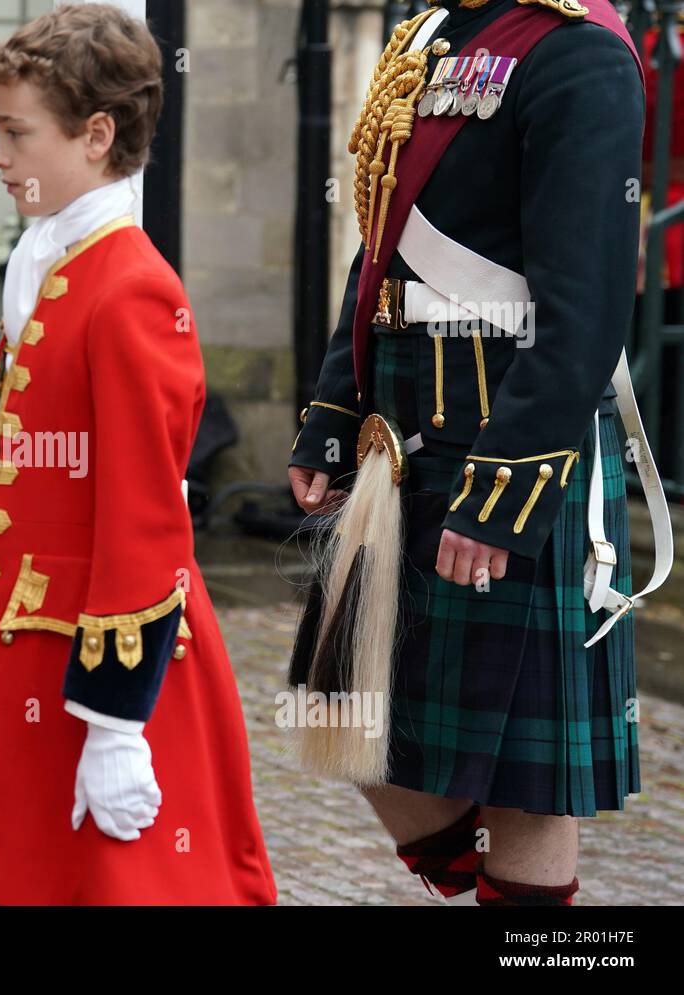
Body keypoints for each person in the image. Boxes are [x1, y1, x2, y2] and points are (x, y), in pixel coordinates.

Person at [0, 3, 276, 905]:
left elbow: (145, 515)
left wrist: (116, 724)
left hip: (101, 665)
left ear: (96, 135)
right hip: (28, 652)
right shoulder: (54, 263)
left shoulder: (129, 288)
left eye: (17, 133)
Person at [288, 0, 660, 906]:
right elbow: (376, 250)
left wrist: (507, 488)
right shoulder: (428, 34)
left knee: (528, 779)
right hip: (401, 437)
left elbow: (585, 307)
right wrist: (337, 408)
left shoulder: (581, 52)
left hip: (517, 442)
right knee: (333, 702)